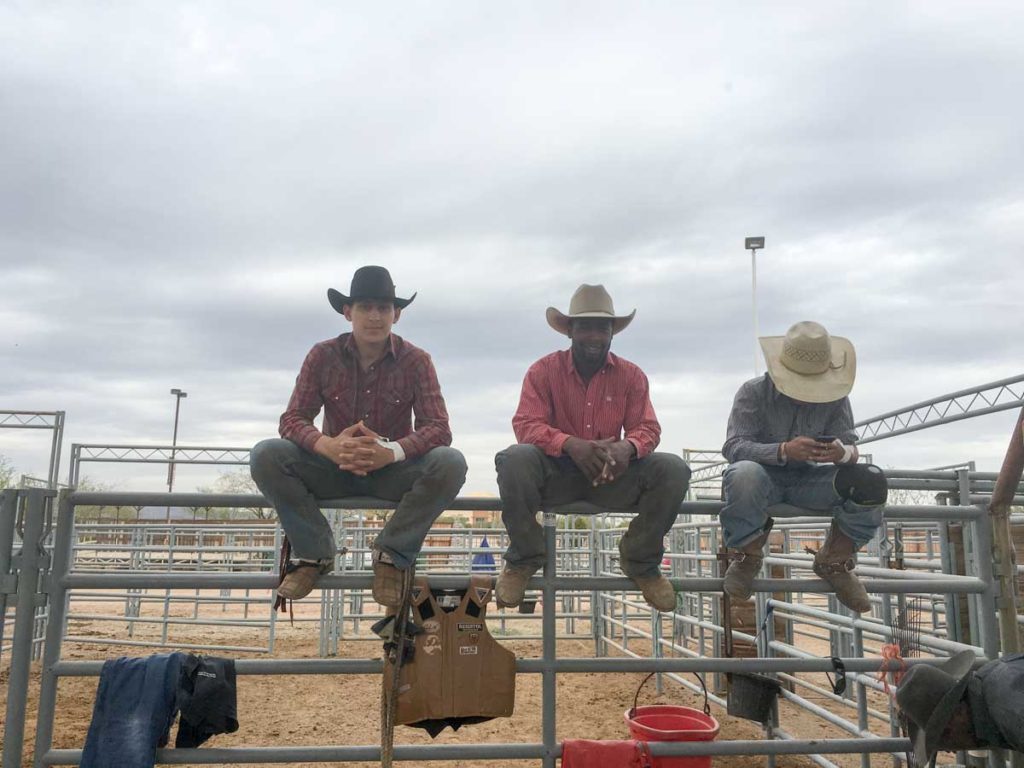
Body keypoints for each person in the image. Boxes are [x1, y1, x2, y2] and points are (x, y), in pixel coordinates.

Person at [250, 266, 467, 608]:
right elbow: (292, 419)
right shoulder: (321, 355)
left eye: (383, 308)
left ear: (396, 314)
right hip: (331, 468)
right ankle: (315, 552)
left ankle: (392, 555)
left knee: (450, 462)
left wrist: (391, 451)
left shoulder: (417, 361)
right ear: (348, 312)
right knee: (266, 454)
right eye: (366, 307)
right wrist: (328, 446)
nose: (375, 316)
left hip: (392, 473)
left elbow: (439, 427)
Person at [494, 284, 691, 612]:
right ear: (569, 330)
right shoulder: (542, 371)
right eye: (585, 326)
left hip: (611, 473)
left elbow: (648, 428)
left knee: (673, 470)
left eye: (602, 326)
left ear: (613, 332)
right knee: (514, 459)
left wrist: (626, 449)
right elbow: (525, 425)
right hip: (555, 475)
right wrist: (570, 444)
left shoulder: (631, 376)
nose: (594, 335)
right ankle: (524, 558)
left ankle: (640, 559)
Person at [720, 321, 887, 613]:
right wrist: (783, 451)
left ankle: (835, 560)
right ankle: (747, 555)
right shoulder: (753, 393)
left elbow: (850, 447)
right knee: (744, 474)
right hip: (763, 480)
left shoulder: (836, 397)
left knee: (870, 480)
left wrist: (840, 453)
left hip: (811, 480)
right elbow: (734, 447)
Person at [896, 650, 1024, 765]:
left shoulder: (1011, 714)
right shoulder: (991, 681)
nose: (949, 750)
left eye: (943, 736)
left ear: (957, 713)